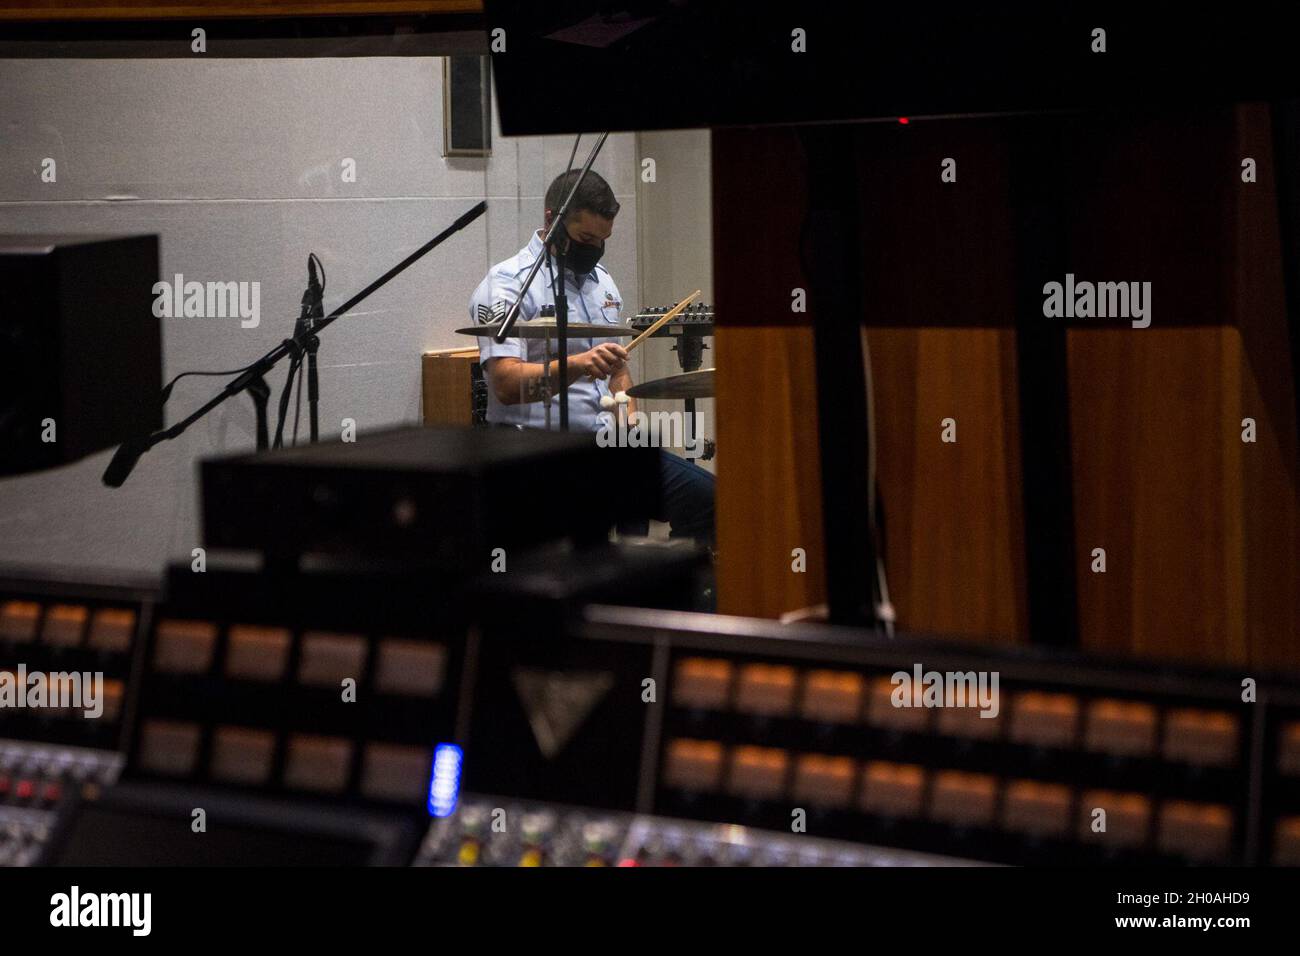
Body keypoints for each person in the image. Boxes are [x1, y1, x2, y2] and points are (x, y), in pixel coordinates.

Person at [468, 169, 714, 545]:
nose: (595, 248)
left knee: (709, 499)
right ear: (552, 220)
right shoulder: (507, 285)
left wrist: (626, 411)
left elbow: (617, 369)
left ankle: (661, 590)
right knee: (584, 540)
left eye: (603, 240)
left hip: (607, 446)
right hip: (534, 453)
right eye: (585, 238)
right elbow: (504, 384)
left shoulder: (603, 283)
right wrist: (581, 364)